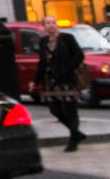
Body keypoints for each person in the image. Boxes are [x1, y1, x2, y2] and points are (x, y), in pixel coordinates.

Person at [34, 16, 87, 150]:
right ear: (44, 26)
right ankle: (77, 133)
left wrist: (68, 69)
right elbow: (42, 62)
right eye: (47, 23)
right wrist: (35, 80)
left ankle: (73, 140)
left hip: (67, 80)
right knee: (55, 109)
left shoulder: (67, 38)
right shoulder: (43, 41)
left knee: (70, 109)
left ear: (56, 25)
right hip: (50, 81)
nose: (51, 25)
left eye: (53, 23)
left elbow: (79, 55)